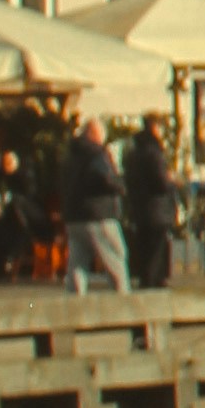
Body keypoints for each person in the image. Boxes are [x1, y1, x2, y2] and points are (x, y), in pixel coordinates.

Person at [63, 115, 129, 293]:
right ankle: (125, 303)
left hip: (74, 215)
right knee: (115, 256)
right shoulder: (96, 153)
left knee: (78, 262)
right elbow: (103, 177)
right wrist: (119, 184)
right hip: (98, 214)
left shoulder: (72, 154)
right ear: (95, 134)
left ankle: (74, 305)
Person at [125, 113, 180, 293]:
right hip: (156, 208)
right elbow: (160, 183)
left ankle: (145, 279)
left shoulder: (134, 152)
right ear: (155, 128)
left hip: (139, 207)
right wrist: (171, 181)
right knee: (156, 248)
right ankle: (153, 281)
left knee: (144, 245)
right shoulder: (154, 152)